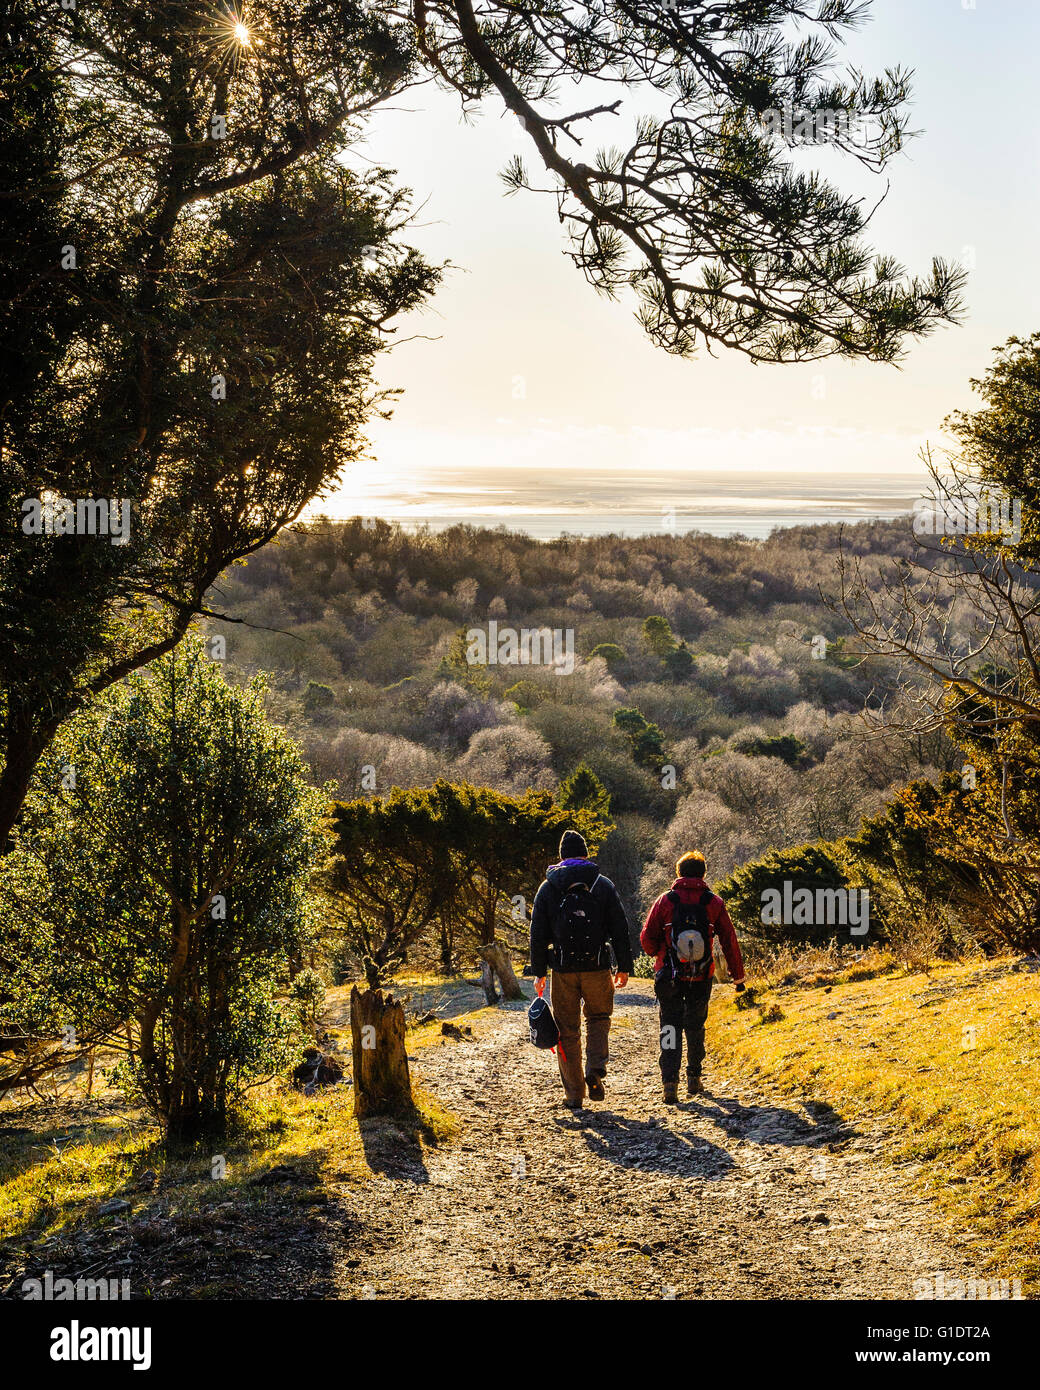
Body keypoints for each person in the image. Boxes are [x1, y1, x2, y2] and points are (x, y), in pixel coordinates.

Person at [530, 830, 633, 1109]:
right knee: (599, 1017)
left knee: (567, 1030)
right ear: (586, 854)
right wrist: (624, 965)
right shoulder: (603, 884)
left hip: (562, 970)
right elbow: (620, 928)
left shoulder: (548, 887)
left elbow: (537, 933)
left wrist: (539, 972)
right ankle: (595, 1069)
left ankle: (574, 1094)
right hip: (598, 966)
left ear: (561, 856)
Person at [640, 850, 746, 1104]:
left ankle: (669, 1083)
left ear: (679, 873)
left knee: (669, 1026)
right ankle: (694, 1077)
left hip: (669, 976)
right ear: (703, 874)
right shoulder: (714, 903)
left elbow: (646, 938)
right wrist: (738, 977)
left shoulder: (665, 901)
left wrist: (662, 955)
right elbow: (729, 941)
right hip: (701, 976)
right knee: (696, 1027)